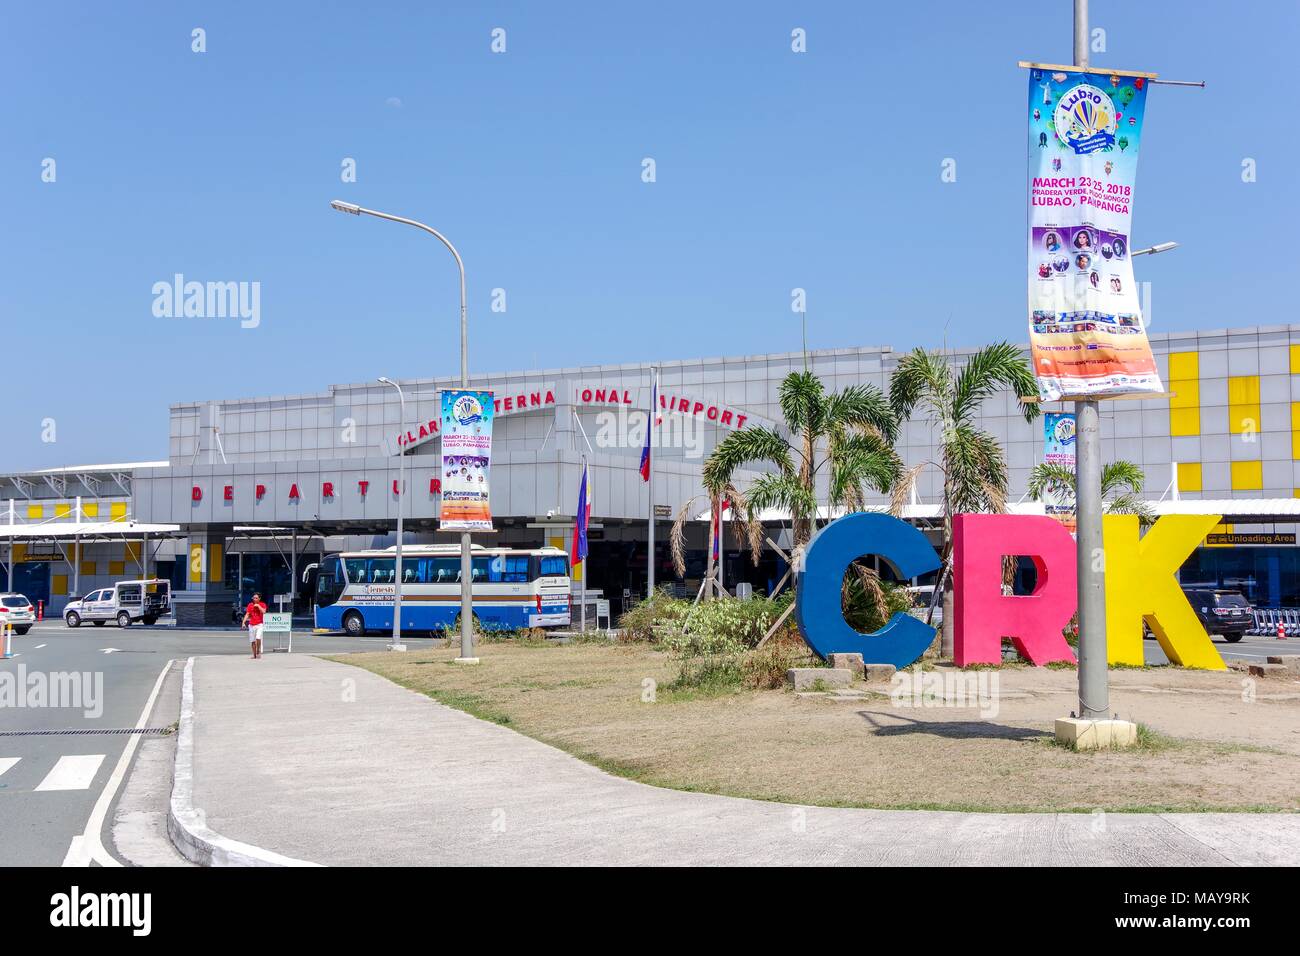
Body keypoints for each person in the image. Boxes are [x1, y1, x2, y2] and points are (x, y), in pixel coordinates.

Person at [242, 591, 268, 659]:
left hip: (259, 624)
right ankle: (254, 655)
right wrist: (243, 622)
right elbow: (247, 614)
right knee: (252, 640)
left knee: (258, 638)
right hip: (251, 625)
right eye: (253, 598)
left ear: (259, 598)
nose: (254, 599)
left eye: (256, 598)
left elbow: (264, 611)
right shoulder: (250, 605)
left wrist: (258, 606)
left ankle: (258, 651)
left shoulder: (262, 604)